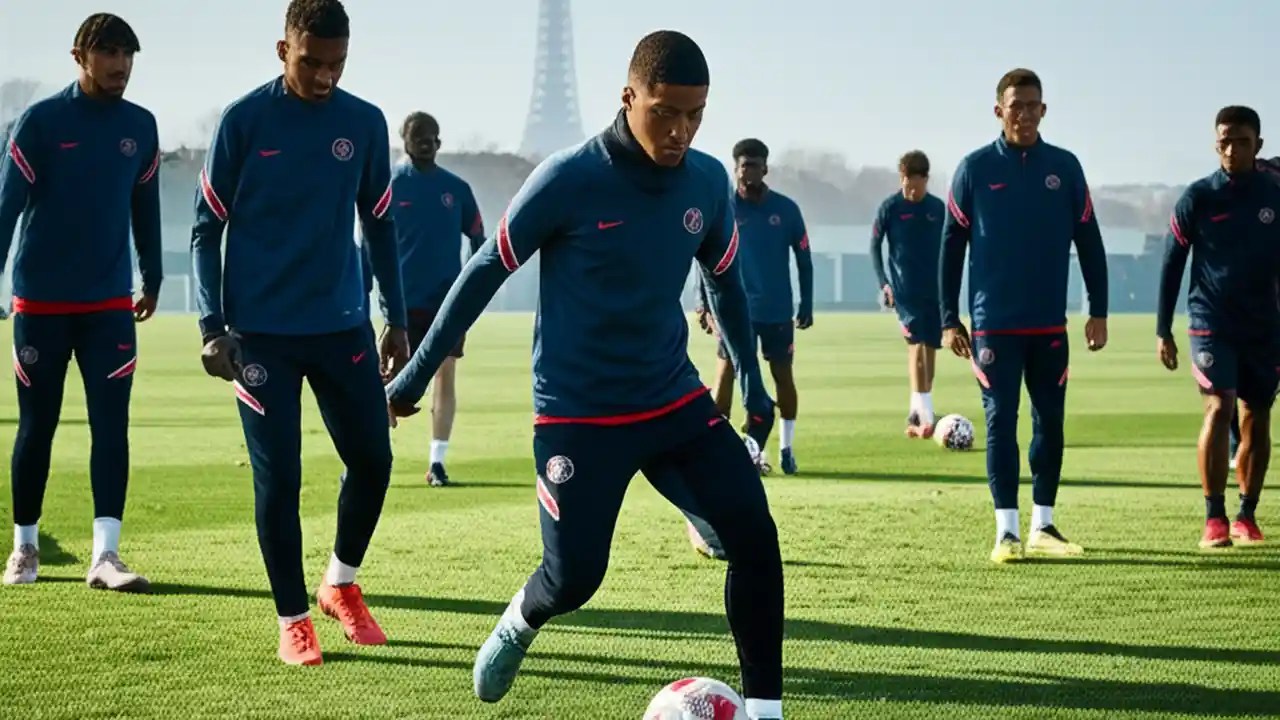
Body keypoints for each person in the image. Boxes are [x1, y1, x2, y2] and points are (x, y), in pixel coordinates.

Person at [386, 30, 785, 720]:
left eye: (696, 114)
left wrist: (751, 380)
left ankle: (765, 711)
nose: (681, 131)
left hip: (672, 401)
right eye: (665, 112)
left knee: (756, 537)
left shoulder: (708, 181)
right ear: (628, 97)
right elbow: (483, 271)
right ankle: (520, 618)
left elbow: (726, 287)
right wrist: (417, 375)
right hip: (578, 414)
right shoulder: (571, 176)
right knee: (575, 578)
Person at [190, 0, 410, 666]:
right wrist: (211, 326)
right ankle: (293, 618)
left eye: (336, 65)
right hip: (260, 337)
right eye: (309, 62)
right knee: (279, 480)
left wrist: (394, 316)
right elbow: (207, 228)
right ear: (282, 49)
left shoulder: (364, 123)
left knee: (374, 461)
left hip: (341, 324)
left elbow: (377, 225)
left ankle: (339, 585)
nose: (322, 77)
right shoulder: (244, 120)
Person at [0, 13, 162, 591]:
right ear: (79, 56)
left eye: (128, 54)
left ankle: (106, 556)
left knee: (111, 427)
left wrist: (155, 273)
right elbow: (6, 209)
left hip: (109, 307)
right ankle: (25, 548)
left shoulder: (141, 126)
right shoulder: (40, 122)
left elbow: (144, 207)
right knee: (36, 426)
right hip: (40, 305)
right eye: (109, 52)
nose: (120, 64)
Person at [941, 68, 1108, 564]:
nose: (1025, 113)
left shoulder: (1065, 167)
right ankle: (1006, 532)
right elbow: (952, 247)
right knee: (1000, 424)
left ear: (1044, 110)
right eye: (1016, 105)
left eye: (1033, 105)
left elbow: (1090, 241)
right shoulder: (974, 169)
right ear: (999, 111)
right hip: (994, 325)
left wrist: (1098, 309)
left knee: (1050, 425)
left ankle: (1044, 524)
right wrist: (950, 318)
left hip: (1048, 325)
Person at [1156, 106, 1280, 549]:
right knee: (1218, 407)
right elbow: (1172, 264)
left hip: (1264, 325)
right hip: (1211, 320)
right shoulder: (1198, 197)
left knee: (1257, 416)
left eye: (1241, 141)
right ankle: (1214, 516)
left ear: (1258, 146)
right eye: (1224, 140)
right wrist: (1162, 329)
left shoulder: (1274, 194)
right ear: (1215, 143)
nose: (1231, 149)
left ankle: (1247, 512)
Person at [695, 138, 812, 476]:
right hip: (734, 310)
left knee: (782, 377)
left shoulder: (786, 210)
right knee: (725, 377)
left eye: (755, 165)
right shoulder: (723, 207)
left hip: (776, 310)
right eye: (743, 165)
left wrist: (806, 301)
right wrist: (703, 303)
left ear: (765, 168)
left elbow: (804, 258)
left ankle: (787, 448)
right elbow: (701, 257)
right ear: (736, 168)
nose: (749, 171)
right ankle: (721, 450)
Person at [387, 111, 486, 487]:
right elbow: (368, 244)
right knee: (390, 382)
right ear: (405, 141)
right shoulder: (390, 185)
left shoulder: (456, 189)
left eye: (433, 138)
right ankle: (370, 458)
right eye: (420, 138)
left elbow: (479, 240)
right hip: (401, 303)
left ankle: (437, 462)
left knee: (445, 376)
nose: (428, 144)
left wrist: (470, 284)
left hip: (447, 302)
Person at [870, 150, 946, 438]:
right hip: (904, 290)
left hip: (934, 289)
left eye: (915, 184)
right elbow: (875, 246)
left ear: (926, 180)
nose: (910, 190)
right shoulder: (890, 208)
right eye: (905, 183)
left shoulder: (937, 209)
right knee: (915, 345)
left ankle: (921, 407)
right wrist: (884, 283)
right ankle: (923, 413)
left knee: (930, 347)